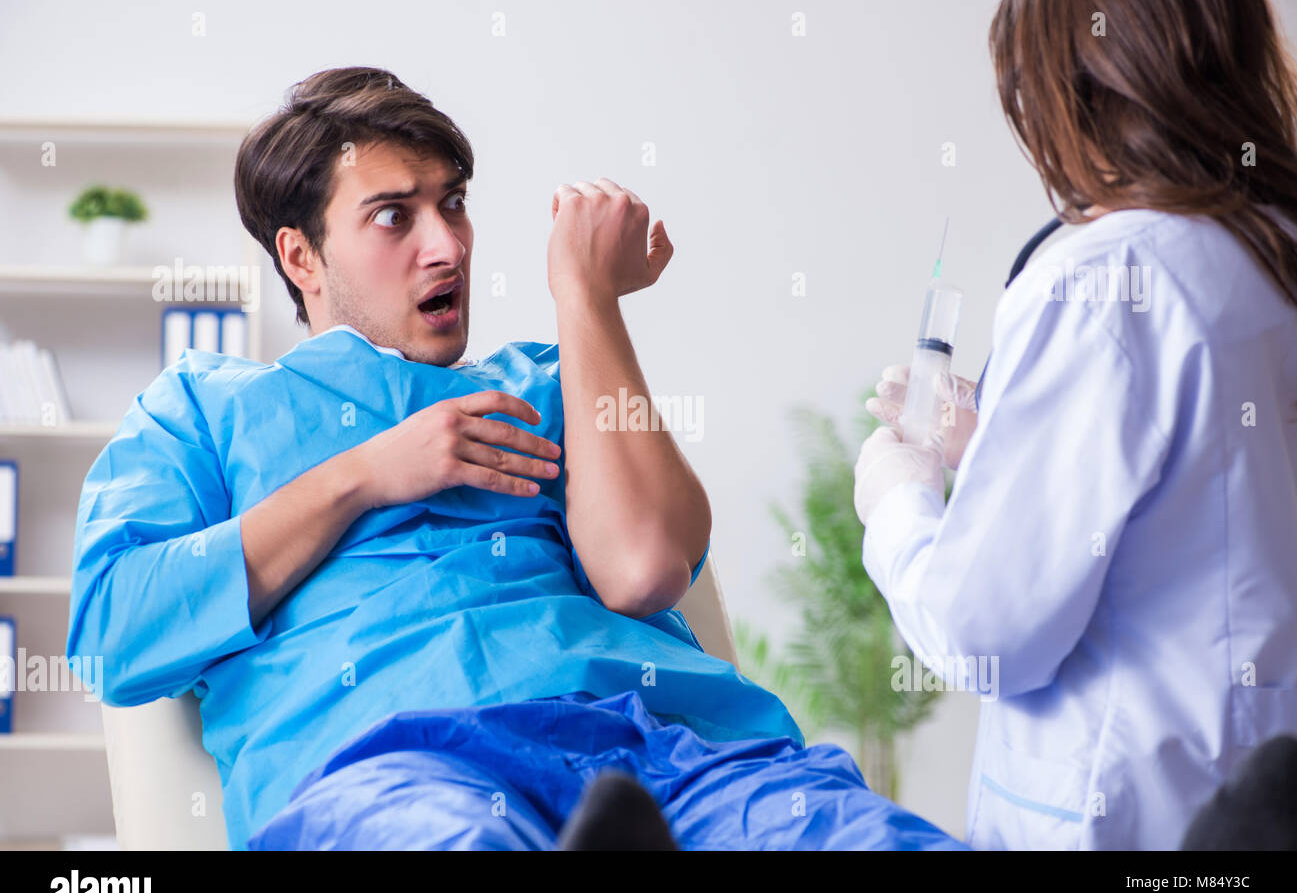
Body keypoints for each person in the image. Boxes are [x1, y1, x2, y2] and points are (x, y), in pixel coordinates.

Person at [68, 67, 963, 851]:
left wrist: (587, 294)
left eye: (452, 202)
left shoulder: (544, 377)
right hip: (393, 774)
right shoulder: (203, 407)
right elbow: (115, 627)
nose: (447, 244)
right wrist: (365, 476)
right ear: (300, 256)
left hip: (675, 755)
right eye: (393, 216)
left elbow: (646, 565)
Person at [853, 0, 1297, 850]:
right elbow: (1211, 514)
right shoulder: (1275, 245)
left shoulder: (1101, 280)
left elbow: (989, 633)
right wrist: (994, 451)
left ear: (1080, 87)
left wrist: (900, 499)